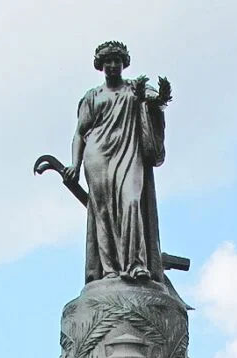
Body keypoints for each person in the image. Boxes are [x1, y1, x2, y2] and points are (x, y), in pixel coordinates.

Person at [63, 40, 170, 283]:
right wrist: (75, 164)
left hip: (129, 153)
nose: (112, 65)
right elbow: (80, 132)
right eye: (108, 61)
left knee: (131, 202)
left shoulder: (135, 89)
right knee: (102, 211)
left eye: (117, 61)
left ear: (124, 64)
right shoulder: (93, 96)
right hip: (98, 155)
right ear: (100, 65)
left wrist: (159, 99)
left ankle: (135, 265)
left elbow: (156, 102)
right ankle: (109, 270)